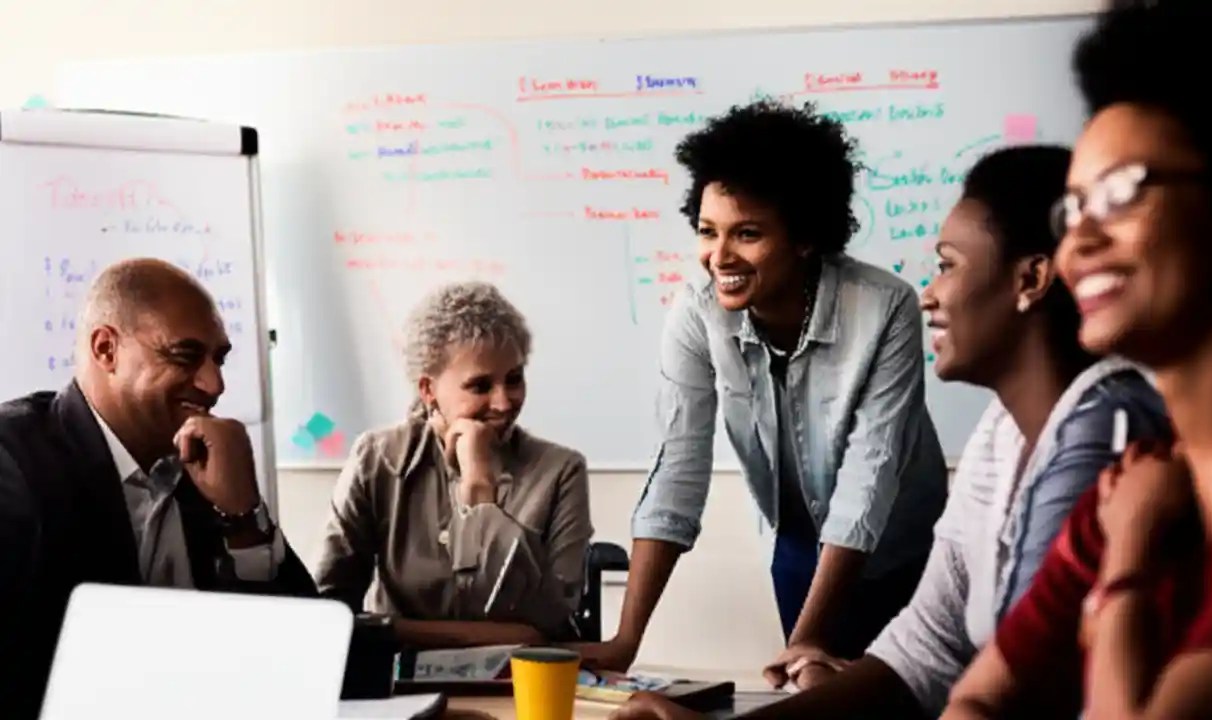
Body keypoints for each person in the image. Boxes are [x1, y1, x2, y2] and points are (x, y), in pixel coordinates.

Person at [608, 147, 1173, 720]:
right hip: (803, 543)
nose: (930, 292)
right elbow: (926, 654)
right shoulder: (999, 434)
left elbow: (1018, 686)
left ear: (1030, 279)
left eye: (948, 265)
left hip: (889, 545)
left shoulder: (1103, 433)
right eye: (708, 231)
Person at [943, 2, 1212, 718]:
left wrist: (1123, 578)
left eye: (1122, 192)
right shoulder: (1139, 484)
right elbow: (973, 699)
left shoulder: (1151, 509)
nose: (1079, 241)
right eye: (1072, 209)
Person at [577, 99, 949, 683]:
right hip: (800, 545)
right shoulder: (698, 313)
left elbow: (868, 482)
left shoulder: (885, 307)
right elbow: (679, 466)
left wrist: (805, 643)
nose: (718, 257)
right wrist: (626, 640)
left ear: (805, 238)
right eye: (707, 232)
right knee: (812, 696)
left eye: (747, 234)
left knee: (899, 701)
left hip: (906, 554)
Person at [0, 258, 316, 719]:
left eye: (219, 359)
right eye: (185, 356)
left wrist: (244, 516)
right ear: (106, 349)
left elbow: (308, 647)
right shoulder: (15, 463)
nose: (214, 383)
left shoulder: (205, 461)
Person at [314, 281, 593, 648]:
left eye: (514, 379)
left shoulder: (561, 470)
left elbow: (552, 622)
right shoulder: (377, 458)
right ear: (428, 389)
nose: (504, 401)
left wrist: (480, 491)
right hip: (397, 686)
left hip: (516, 687)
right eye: (480, 386)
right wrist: (504, 636)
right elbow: (330, 611)